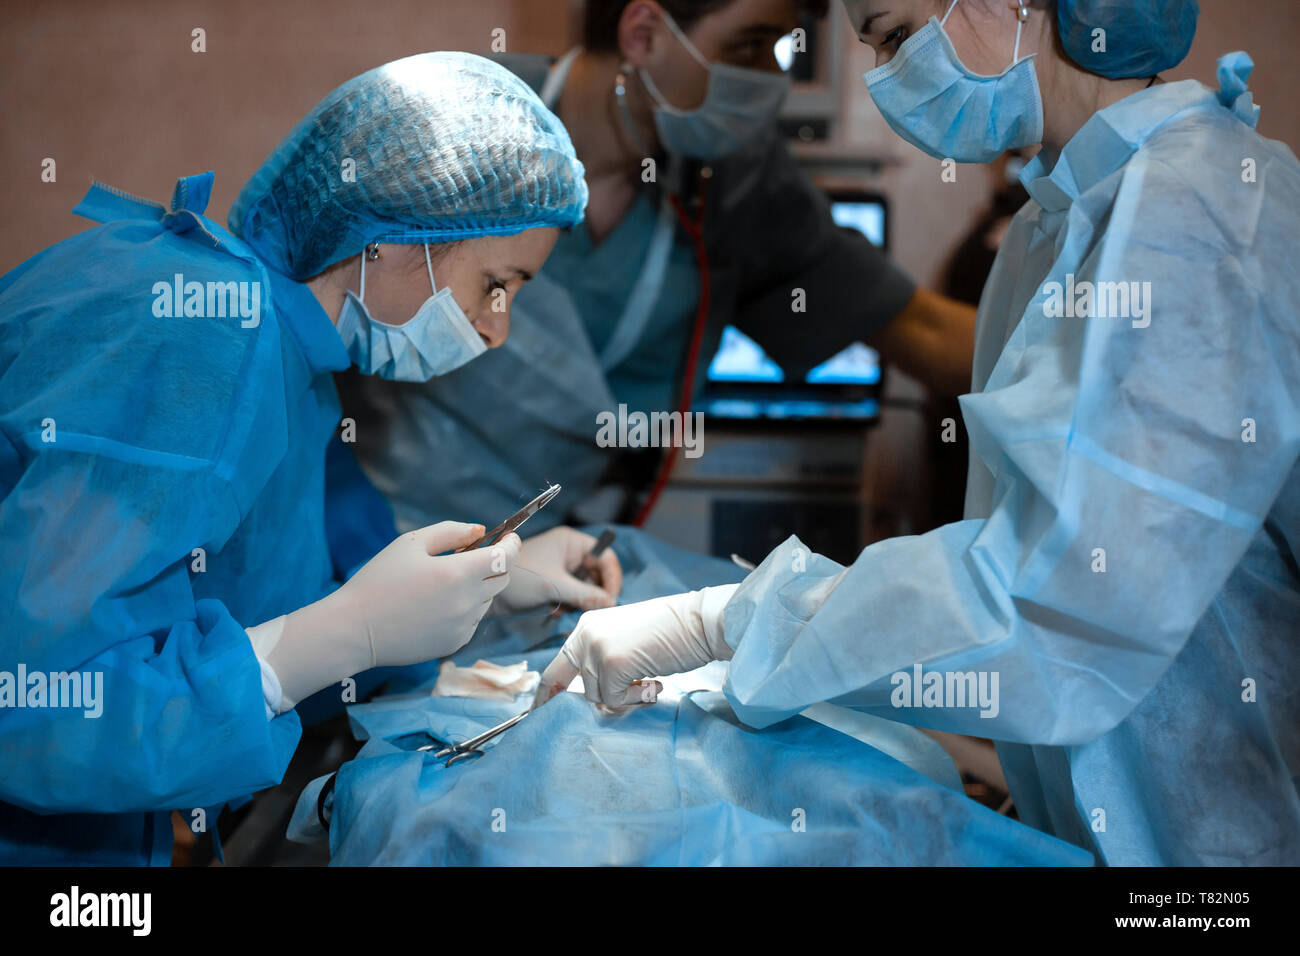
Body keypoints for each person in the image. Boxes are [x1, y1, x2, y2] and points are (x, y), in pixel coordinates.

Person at [534, 0, 1300, 865]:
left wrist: (733, 623)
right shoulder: (1053, 228)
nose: (888, 78)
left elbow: (1051, 608)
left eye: (897, 37)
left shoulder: (1197, 214)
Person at [0, 52, 615, 865]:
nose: (498, 329)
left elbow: (249, 614)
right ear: (395, 238)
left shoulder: (279, 355)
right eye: (497, 285)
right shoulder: (204, 339)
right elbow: (33, 712)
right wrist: (343, 633)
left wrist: (493, 581)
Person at [335, 0, 979, 535]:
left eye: (781, 51)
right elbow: (304, 292)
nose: (769, 81)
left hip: (533, 549)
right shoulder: (448, 125)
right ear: (644, 34)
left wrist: (1070, 359)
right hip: (356, 519)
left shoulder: (734, 183)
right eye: (750, 47)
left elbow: (918, 329)